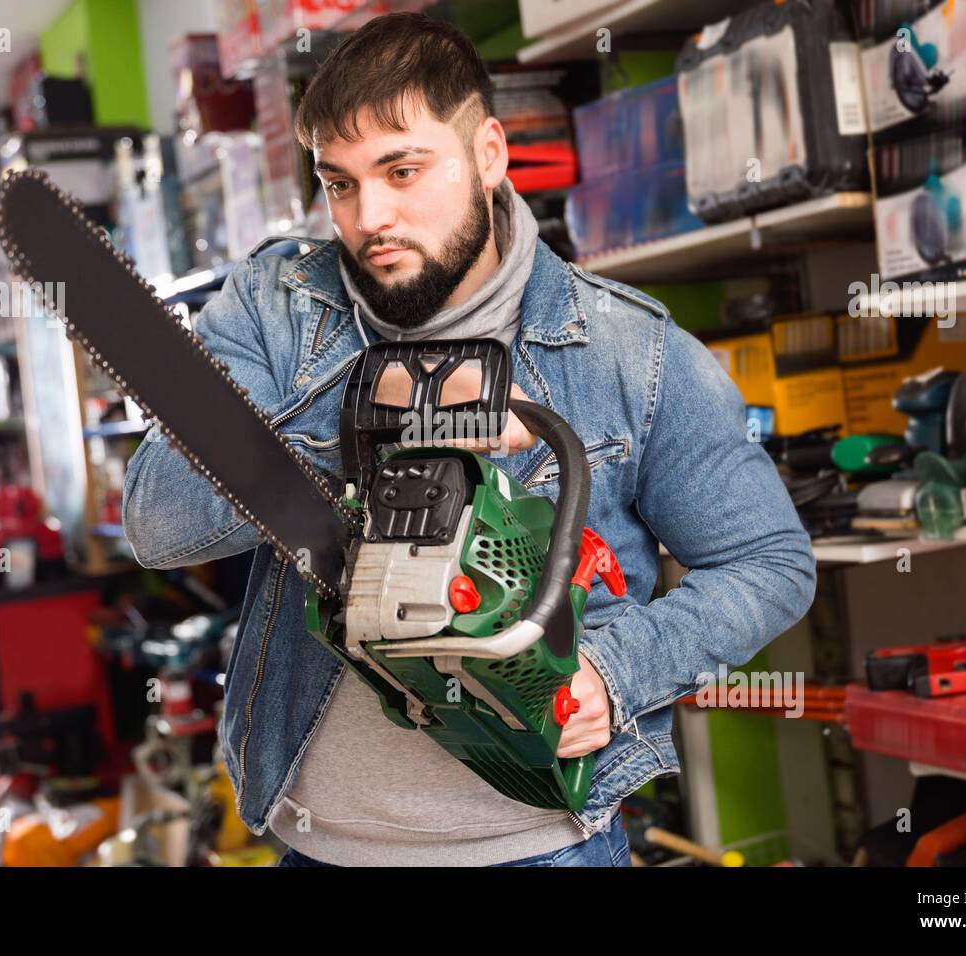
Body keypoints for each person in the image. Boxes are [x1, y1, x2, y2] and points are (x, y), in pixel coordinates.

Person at [123, 12, 816, 867]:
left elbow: (770, 563)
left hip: (542, 848)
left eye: (402, 170)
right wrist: (365, 414)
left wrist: (614, 670)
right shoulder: (276, 304)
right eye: (338, 183)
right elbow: (157, 519)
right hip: (319, 845)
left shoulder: (628, 351)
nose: (369, 215)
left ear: (489, 152)